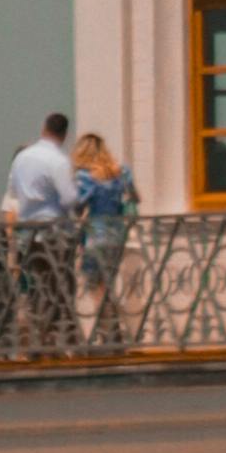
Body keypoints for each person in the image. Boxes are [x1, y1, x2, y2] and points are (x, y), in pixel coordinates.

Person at [72, 125, 138, 342]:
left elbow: (78, 206)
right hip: (117, 235)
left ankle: (109, 331)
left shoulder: (85, 177)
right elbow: (135, 197)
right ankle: (113, 329)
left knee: (94, 283)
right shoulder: (122, 171)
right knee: (106, 282)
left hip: (95, 235)